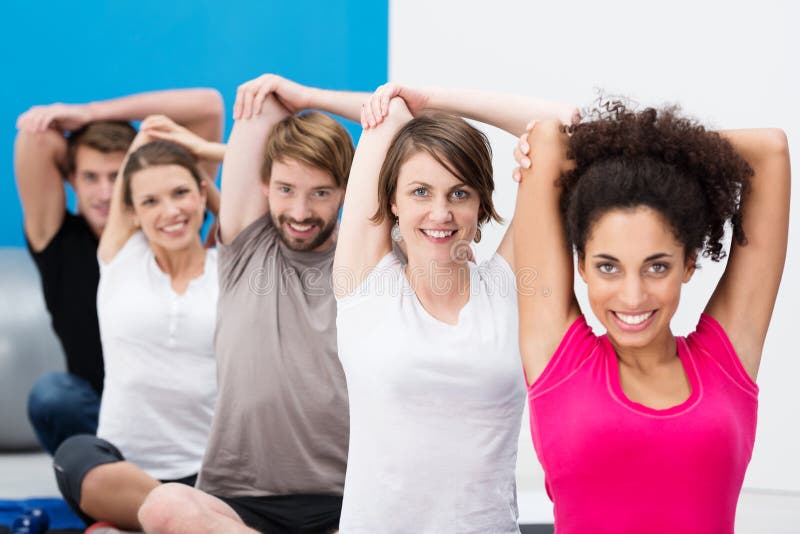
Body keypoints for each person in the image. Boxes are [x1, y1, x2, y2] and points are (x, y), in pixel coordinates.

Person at [512, 105, 790, 533]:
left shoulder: (723, 362)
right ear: (580, 265)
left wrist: (643, 146)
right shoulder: (560, 359)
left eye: (657, 266)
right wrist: (637, 145)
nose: (633, 295)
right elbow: (548, 141)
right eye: (608, 267)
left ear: (690, 263)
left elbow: (770, 152)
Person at [331, 85, 576, 533]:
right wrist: (407, 105)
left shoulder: (509, 291)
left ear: (481, 203)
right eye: (420, 192)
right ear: (393, 203)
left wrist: (433, 97)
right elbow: (390, 115)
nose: (440, 212)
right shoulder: (366, 285)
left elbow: (562, 130)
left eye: (459, 193)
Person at [138, 75, 366, 534]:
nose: (300, 212)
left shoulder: (365, 257)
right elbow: (260, 109)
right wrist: (278, 93)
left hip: (346, 497)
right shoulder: (248, 243)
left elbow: (397, 119)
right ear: (264, 185)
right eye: (285, 189)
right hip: (239, 497)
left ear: (348, 190)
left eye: (320, 193)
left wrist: (306, 97)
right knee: (162, 506)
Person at [14, 89, 224, 455]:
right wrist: (75, 123)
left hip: (186, 420)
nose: (106, 192)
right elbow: (36, 135)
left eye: (116, 176)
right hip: (105, 420)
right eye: (90, 177)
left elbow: (208, 106)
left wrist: (90, 109)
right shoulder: (58, 237)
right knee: (53, 395)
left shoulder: (167, 223)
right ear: (71, 179)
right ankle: (107, 486)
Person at [52, 116, 224, 532]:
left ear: (203, 193)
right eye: (150, 202)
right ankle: (188, 521)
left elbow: (250, 200)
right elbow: (136, 170)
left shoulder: (231, 266)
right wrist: (150, 130)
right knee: (74, 457)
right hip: (122, 470)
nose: (170, 211)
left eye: (181, 192)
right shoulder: (120, 257)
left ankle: (162, 522)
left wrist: (197, 151)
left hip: (209, 475)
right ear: (131, 211)